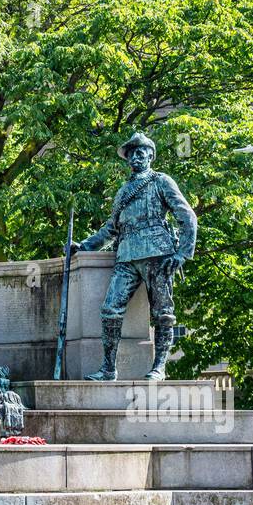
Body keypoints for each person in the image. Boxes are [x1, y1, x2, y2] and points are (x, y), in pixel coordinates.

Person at [72, 132, 197, 381]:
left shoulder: (161, 181)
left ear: (150, 156)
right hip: (126, 255)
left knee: (163, 313)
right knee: (110, 309)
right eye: (132, 154)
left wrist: (183, 252)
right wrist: (85, 246)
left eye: (141, 152)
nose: (136, 157)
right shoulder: (123, 191)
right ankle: (108, 369)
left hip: (158, 254)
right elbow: (111, 229)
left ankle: (159, 367)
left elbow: (187, 216)